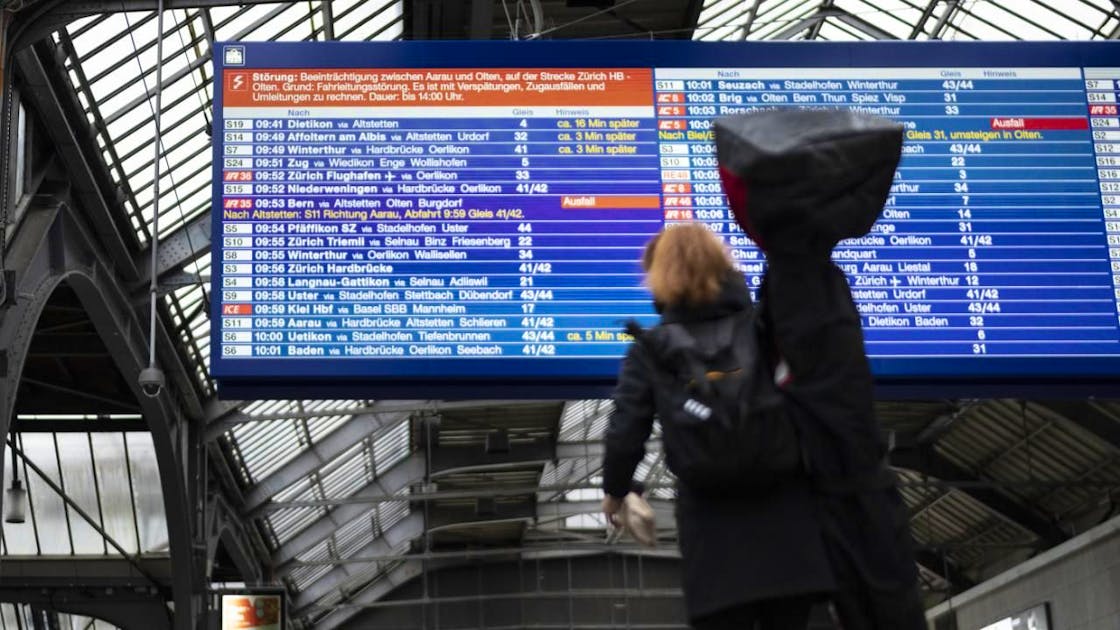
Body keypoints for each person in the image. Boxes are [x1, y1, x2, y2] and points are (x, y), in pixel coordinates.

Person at [601, 222, 836, 630]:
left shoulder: (651, 349)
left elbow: (625, 431)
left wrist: (617, 492)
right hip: (789, 525)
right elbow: (817, 400)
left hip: (713, 534)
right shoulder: (766, 327)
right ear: (723, 264)